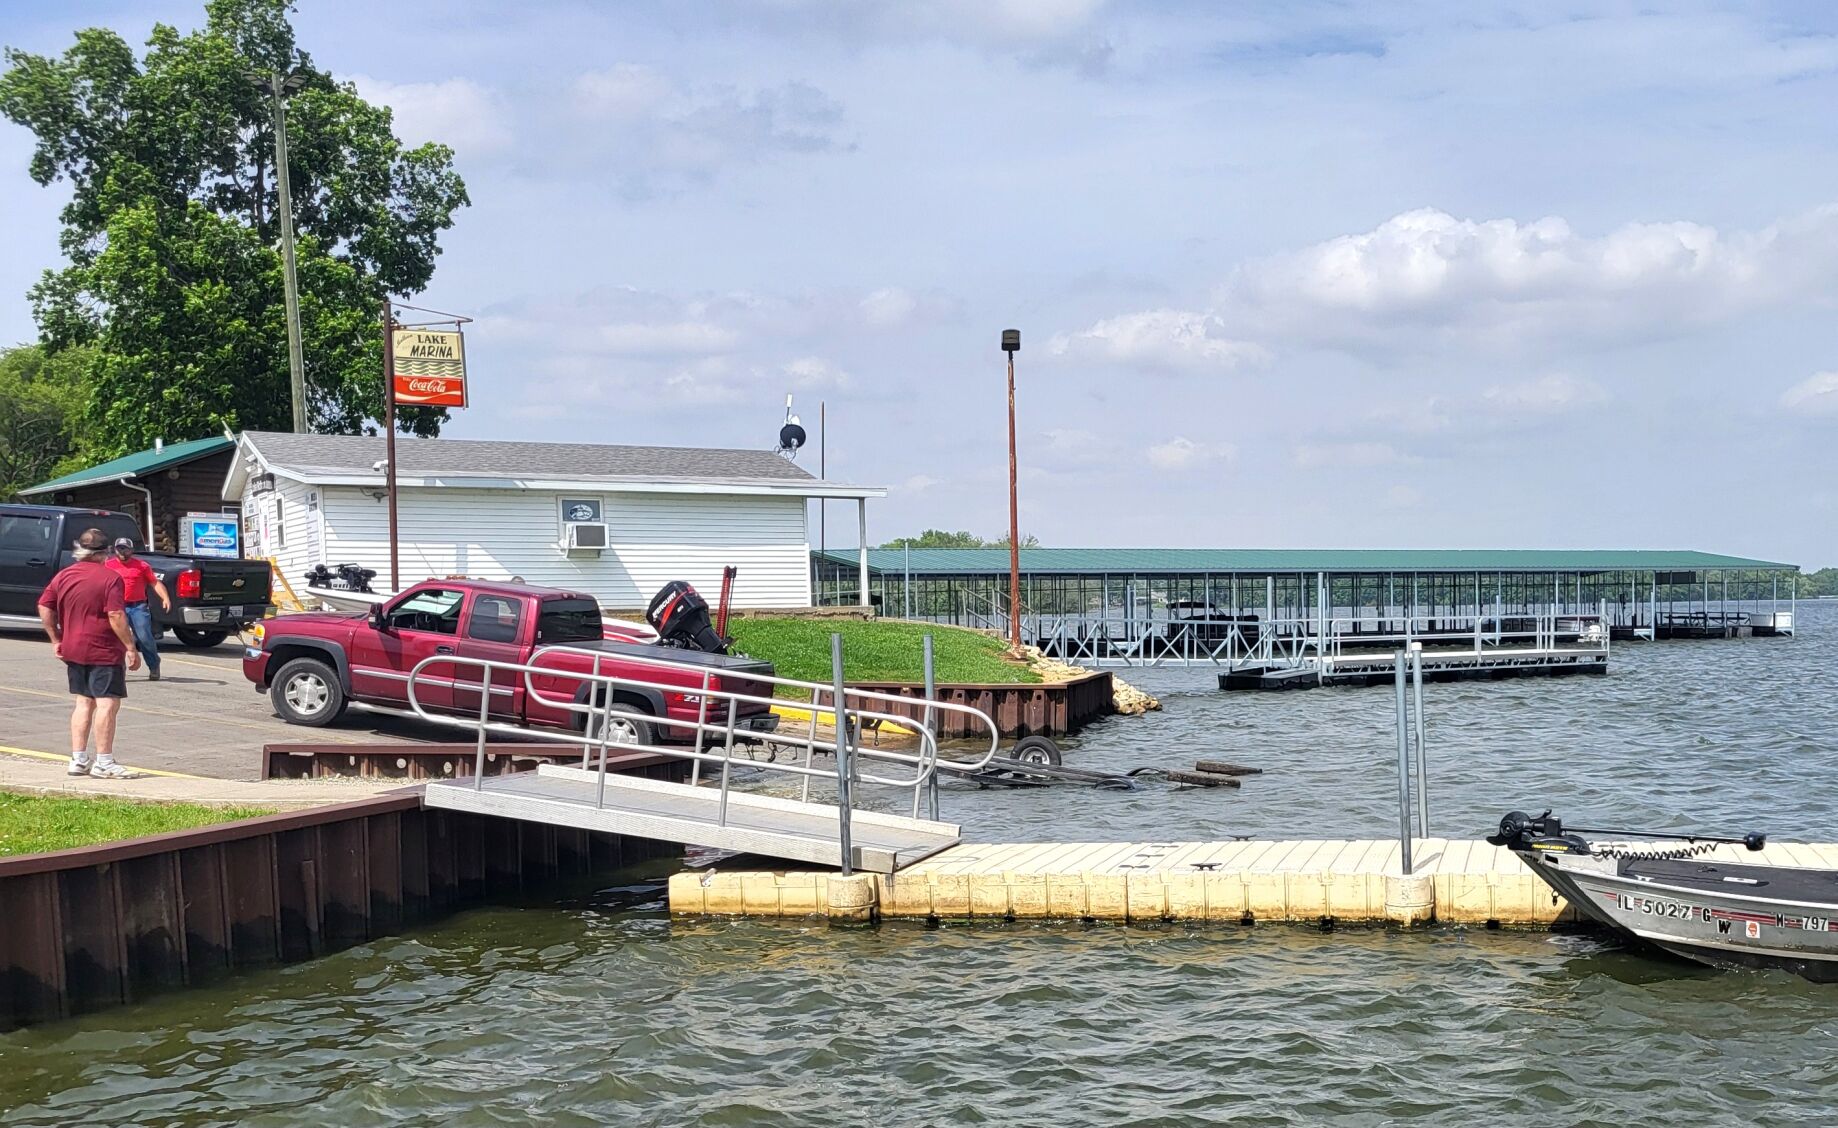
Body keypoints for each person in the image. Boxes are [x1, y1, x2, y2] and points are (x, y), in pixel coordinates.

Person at [37, 528, 141, 779]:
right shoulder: (110, 578)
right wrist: (130, 646)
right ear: (105, 552)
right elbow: (116, 615)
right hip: (103, 649)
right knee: (107, 703)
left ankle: (78, 759)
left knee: (84, 702)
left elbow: (44, 605)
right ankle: (104, 761)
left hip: (73, 647)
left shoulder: (64, 575)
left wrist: (55, 639)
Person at [106, 536, 171, 681]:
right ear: (115, 550)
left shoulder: (142, 566)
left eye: (125, 548)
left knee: (144, 637)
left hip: (137, 606)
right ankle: (118, 670)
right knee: (117, 638)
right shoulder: (108, 566)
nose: (122, 552)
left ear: (131, 550)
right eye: (119, 548)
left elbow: (155, 583)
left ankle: (154, 665)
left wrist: (165, 598)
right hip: (117, 607)